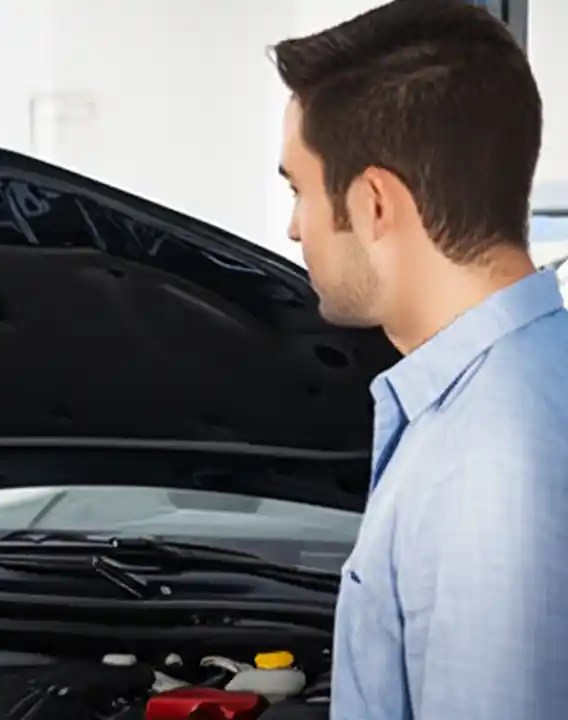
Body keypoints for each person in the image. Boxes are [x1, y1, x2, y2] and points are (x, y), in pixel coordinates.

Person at [271, 1, 568, 717]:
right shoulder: (523, 385)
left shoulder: (490, 468)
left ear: (375, 203)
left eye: (299, 190)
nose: (291, 229)